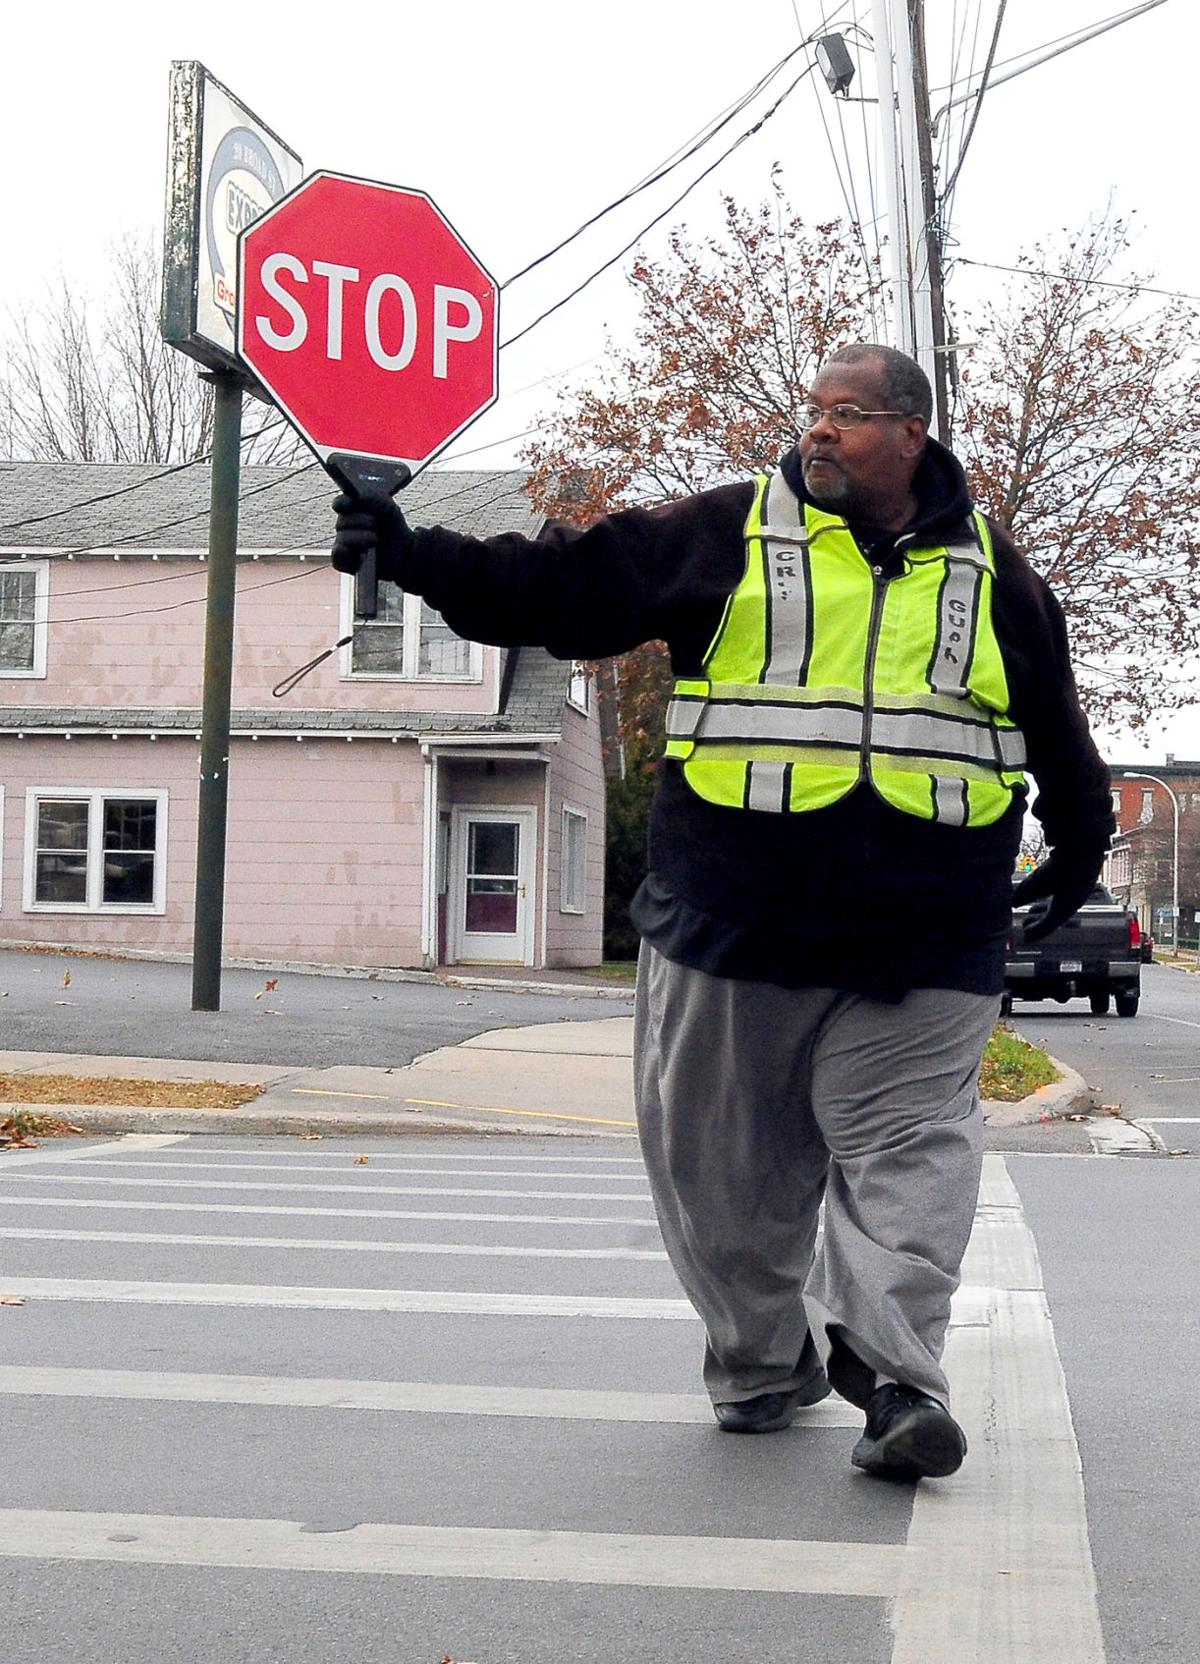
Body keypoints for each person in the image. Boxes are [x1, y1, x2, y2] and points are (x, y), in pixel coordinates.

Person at [331, 343, 1114, 1482]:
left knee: (914, 1158)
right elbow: (562, 587)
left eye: (848, 416)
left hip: (929, 933)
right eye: (814, 411)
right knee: (723, 1171)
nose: (819, 431)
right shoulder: (727, 533)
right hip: (736, 921)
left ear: (912, 432)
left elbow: (1058, 729)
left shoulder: (999, 575)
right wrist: (411, 555)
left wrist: (1083, 844)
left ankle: (901, 1383)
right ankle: (762, 1359)